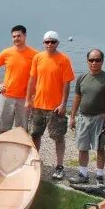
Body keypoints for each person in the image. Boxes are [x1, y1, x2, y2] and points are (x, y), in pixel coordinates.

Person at [25, 30, 75, 180]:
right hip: (38, 105)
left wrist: (63, 104)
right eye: (47, 42)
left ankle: (59, 166)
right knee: (35, 134)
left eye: (53, 41)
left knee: (58, 137)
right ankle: (35, 160)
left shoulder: (64, 59)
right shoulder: (38, 58)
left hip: (55, 107)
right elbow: (32, 80)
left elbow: (67, 84)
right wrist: (28, 99)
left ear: (57, 43)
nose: (49, 44)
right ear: (43, 43)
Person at [68, 49, 105, 186]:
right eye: (91, 60)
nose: (94, 62)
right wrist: (72, 116)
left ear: (102, 61)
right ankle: (83, 174)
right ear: (87, 61)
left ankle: (99, 177)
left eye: (97, 60)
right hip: (83, 117)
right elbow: (77, 97)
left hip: (100, 118)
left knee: (100, 148)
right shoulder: (82, 77)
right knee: (82, 148)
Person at [0, 25, 38, 132]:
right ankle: (3, 148)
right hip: (6, 96)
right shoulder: (6, 52)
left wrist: (34, 96)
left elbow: (39, 76)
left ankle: (20, 148)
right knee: (2, 128)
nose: (16, 38)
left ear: (25, 36)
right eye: (14, 36)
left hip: (25, 98)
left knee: (22, 131)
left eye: (19, 36)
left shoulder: (35, 55)